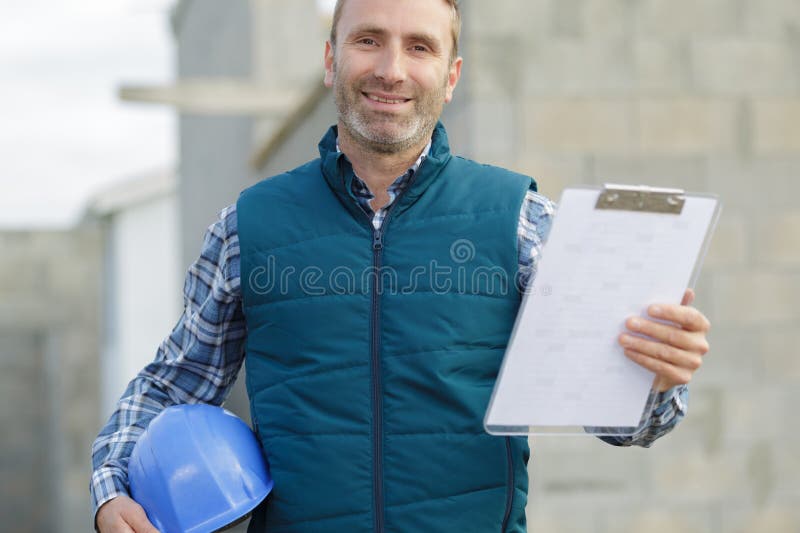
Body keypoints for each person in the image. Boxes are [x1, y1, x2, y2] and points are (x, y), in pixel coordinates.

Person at [91, 0, 712, 531]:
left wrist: (655, 377)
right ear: (331, 58)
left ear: (451, 75)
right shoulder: (246, 228)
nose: (392, 69)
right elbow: (172, 386)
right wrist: (111, 489)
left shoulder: (522, 222)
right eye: (368, 40)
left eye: (420, 47)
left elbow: (621, 423)